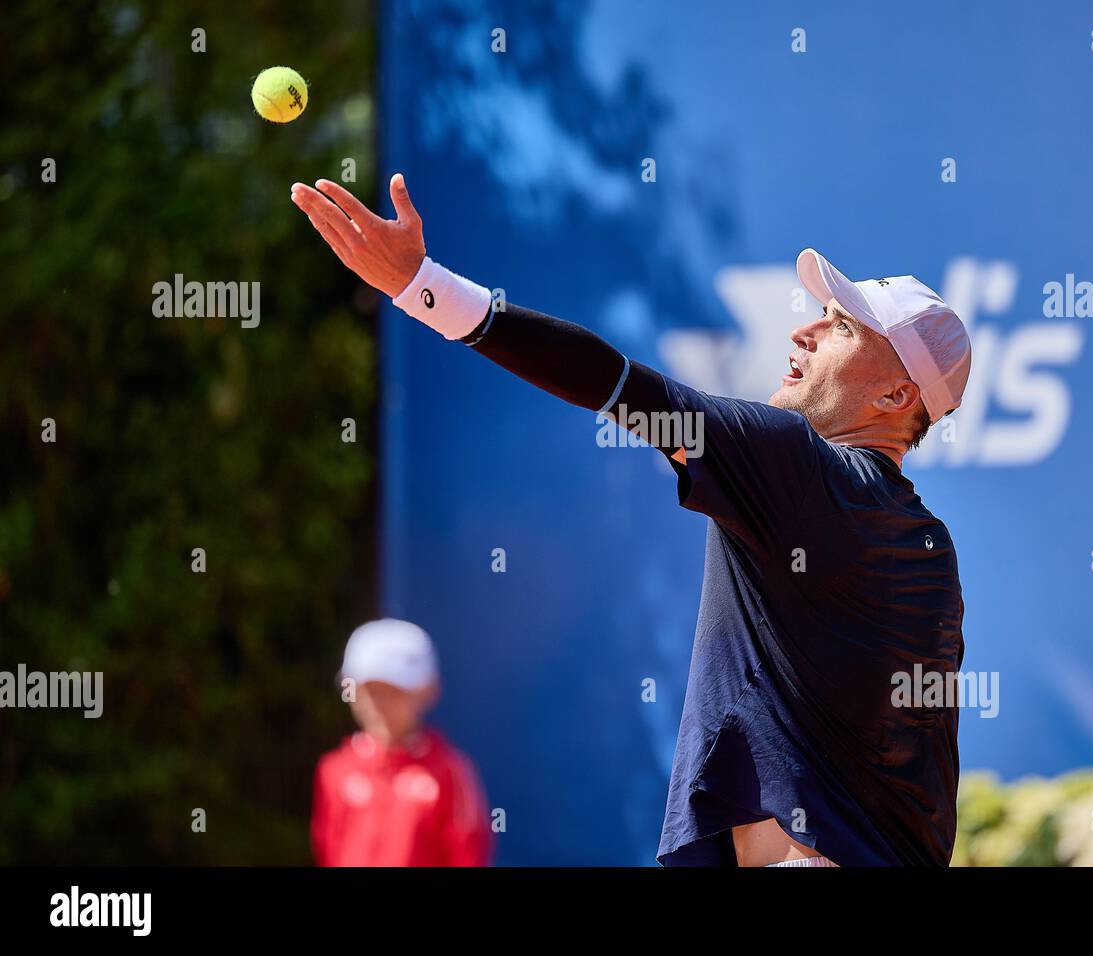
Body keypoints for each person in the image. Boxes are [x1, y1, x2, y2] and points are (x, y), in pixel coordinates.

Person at [291, 173, 971, 867]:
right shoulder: (930, 548)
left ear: (895, 393)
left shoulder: (800, 468)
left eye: (843, 326)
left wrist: (420, 285)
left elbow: (615, 383)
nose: (807, 328)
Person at [311, 618, 491, 867]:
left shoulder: (451, 773)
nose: (381, 703)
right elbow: (328, 847)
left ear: (427, 690)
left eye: (394, 691)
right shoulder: (333, 770)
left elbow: (467, 854)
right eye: (370, 691)